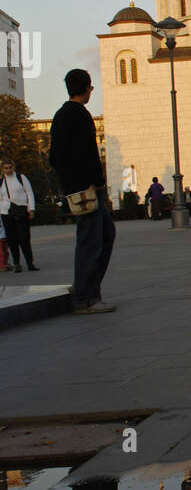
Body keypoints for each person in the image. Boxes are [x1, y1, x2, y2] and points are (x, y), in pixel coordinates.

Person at [49, 68, 116, 314]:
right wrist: (97, 183)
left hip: (74, 189)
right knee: (92, 240)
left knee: (104, 233)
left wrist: (68, 185)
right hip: (88, 189)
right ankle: (86, 297)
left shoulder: (59, 116)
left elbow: (54, 157)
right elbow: (89, 155)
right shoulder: (81, 116)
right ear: (87, 88)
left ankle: (86, 289)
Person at [0, 159, 38, 273]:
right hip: (6, 213)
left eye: (10, 167)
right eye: (5, 168)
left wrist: (31, 208)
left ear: (13, 167)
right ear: (2, 169)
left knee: (24, 238)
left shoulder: (21, 178)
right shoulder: (1, 182)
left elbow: (29, 193)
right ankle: (17, 264)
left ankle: (30, 263)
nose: (8, 170)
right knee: (12, 240)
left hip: (21, 211)